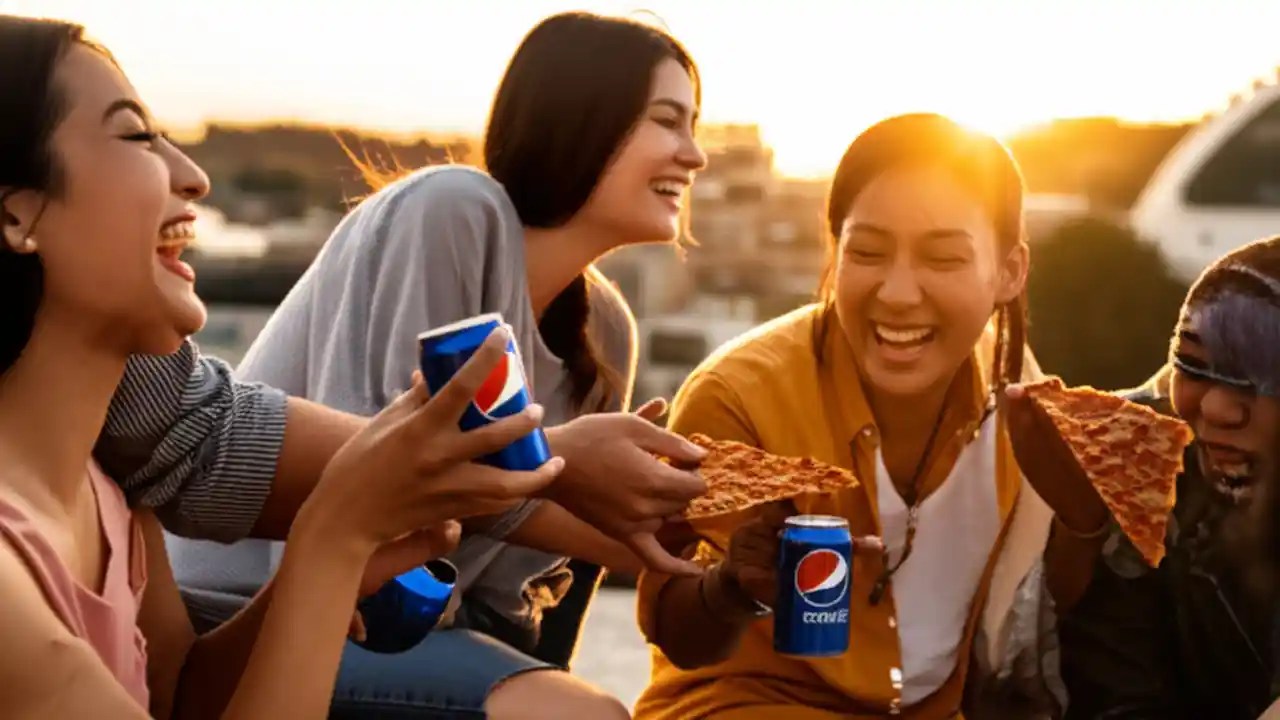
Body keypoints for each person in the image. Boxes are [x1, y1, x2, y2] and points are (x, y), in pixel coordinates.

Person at [0, 16, 565, 717]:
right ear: (17, 216)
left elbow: (179, 700)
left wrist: (315, 572)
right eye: (137, 136)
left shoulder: (107, 490)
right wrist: (334, 536)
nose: (193, 176)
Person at [168, 11, 709, 719]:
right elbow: (384, 489)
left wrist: (682, 536)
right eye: (669, 121)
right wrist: (574, 478)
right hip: (258, 623)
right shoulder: (454, 211)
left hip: (436, 640)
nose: (695, 155)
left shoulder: (607, 334)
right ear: (585, 118)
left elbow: (541, 584)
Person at [632, 113, 1064, 719]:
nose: (898, 292)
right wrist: (730, 588)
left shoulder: (1025, 405)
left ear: (1010, 272)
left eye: (942, 259)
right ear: (834, 250)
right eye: (867, 251)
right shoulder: (739, 397)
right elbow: (677, 631)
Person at [1053, 235, 1280, 720]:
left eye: (1261, 378)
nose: (1216, 407)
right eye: (1194, 367)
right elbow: (1114, 693)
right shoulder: (1148, 490)